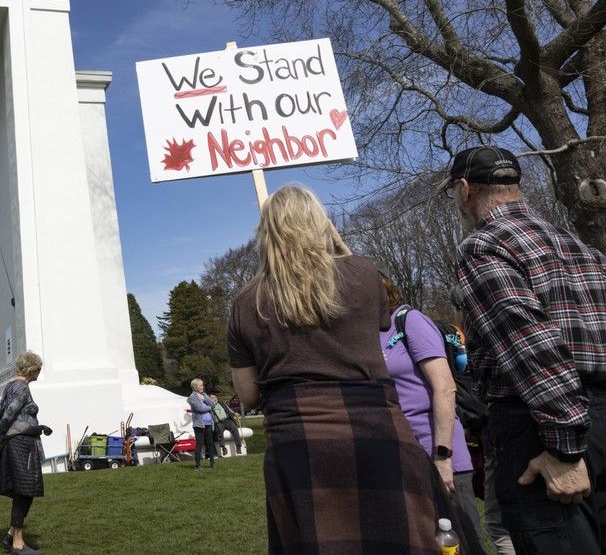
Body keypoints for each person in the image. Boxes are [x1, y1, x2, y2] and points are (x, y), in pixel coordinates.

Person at [228, 185, 441, 553]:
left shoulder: (246, 303)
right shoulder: (363, 273)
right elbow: (376, 321)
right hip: (376, 430)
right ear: (322, 224)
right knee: (401, 541)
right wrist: (339, 246)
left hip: (297, 441)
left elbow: (247, 394)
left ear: (265, 234)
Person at [446, 146, 606, 554]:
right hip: (605, 422)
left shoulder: (483, 246)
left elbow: (532, 347)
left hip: (543, 428)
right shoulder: (578, 246)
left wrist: (564, 450)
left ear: (465, 189)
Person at [378, 274, 487, 554]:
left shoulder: (408, 320)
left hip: (439, 452)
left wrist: (443, 456)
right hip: (401, 456)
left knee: (463, 543)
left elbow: (445, 388)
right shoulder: (366, 333)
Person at [0, 350, 47, 555]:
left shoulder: (10, 386)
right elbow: (7, 416)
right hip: (21, 445)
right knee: (25, 491)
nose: (40, 372)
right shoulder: (22, 387)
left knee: (24, 491)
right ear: (32, 370)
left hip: (18, 442)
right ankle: (18, 544)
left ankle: (10, 535)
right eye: (39, 369)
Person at [187, 379, 217, 471]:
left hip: (208, 423)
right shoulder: (192, 397)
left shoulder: (204, 395)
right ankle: (198, 466)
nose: (202, 387)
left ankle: (212, 463)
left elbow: (213, 404)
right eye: (200, 386)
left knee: (210, 443)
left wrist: (206, 400)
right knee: (199, 444)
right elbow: (200, 408)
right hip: (199, 424)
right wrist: (209, 408)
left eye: (202, 385)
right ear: (195, 387)